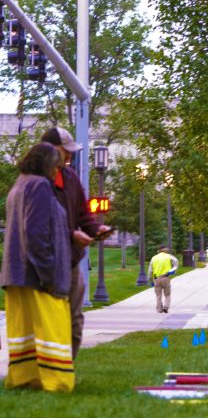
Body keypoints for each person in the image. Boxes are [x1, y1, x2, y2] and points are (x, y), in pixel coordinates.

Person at [0, 142, 74, 391]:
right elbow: (35, 233)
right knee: (52, 328)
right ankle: (56, 380)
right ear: (47, 164)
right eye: (57, 166)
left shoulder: (20, 185)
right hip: (38, 275)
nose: (57, 171)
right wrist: (49, 274)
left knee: (26, 330)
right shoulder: (40, 186)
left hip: (16, 273)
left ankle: (26, 377)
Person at [41, 126, 111, 358]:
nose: (70, 155)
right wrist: (72, 234)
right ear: (51, 149)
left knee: (75, 320)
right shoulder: (37, 180)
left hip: (70, 261)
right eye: (66, 150)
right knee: (50, 321)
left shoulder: (70, 177)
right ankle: (49, 367)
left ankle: (66, 365)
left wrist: (96, 228)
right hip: (45, 263)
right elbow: (40, 223)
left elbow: (83, 213)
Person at [148, 245, 179, 313]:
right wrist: (172, 271)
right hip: (166, 277)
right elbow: (176, 262)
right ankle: (166, 306)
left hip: (156, 279)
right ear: (165, 250)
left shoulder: (154, 258)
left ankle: (159, 309)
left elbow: (150, 270)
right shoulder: (169, 256)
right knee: (167, 294)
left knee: (158, 295)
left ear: (158, 251)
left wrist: (150, 280)